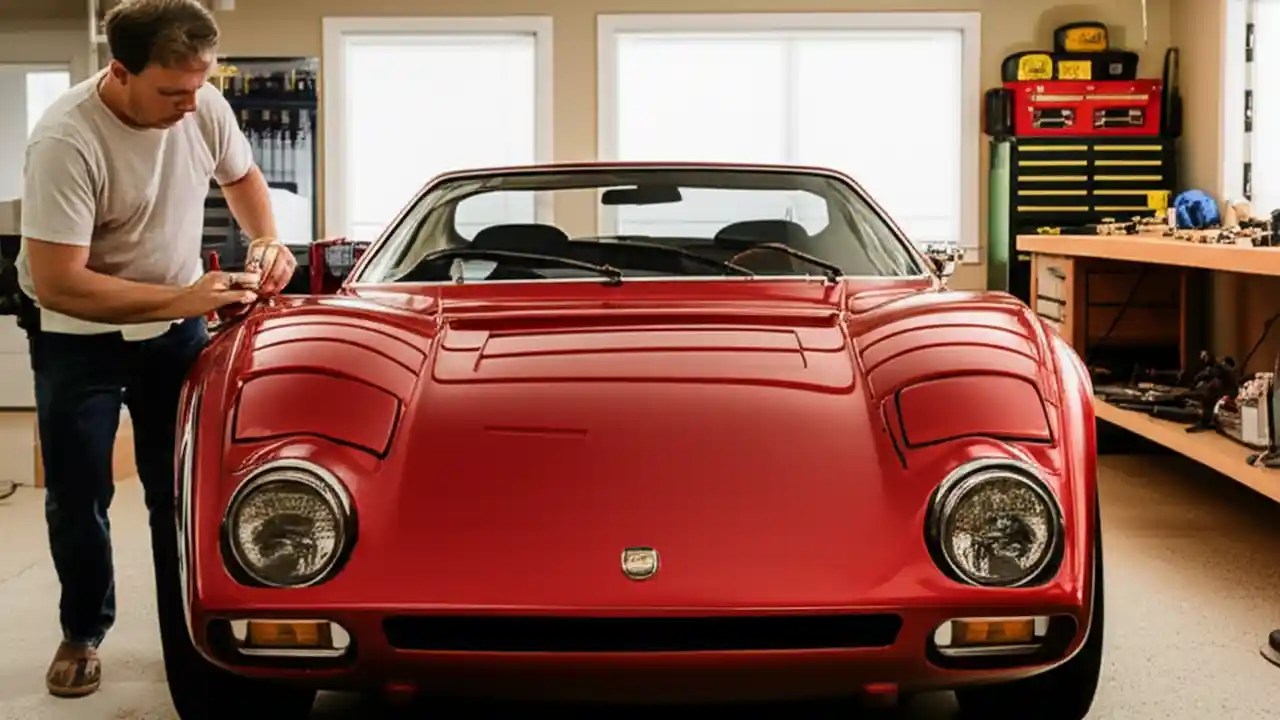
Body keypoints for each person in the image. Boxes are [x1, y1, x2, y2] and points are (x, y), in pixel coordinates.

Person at [17, 0, 296, 701]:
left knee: (179, 491)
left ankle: (189, 638)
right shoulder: (66, 140)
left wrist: (266, 238)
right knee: (80, 494)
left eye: (199, 85)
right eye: (172, 90)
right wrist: (184, 299)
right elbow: (59, 283)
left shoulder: (202, 106)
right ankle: (83, 631)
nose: (190, 103)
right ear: (119, 72)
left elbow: (242, 177)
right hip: (77, 336)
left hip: (176, 327)